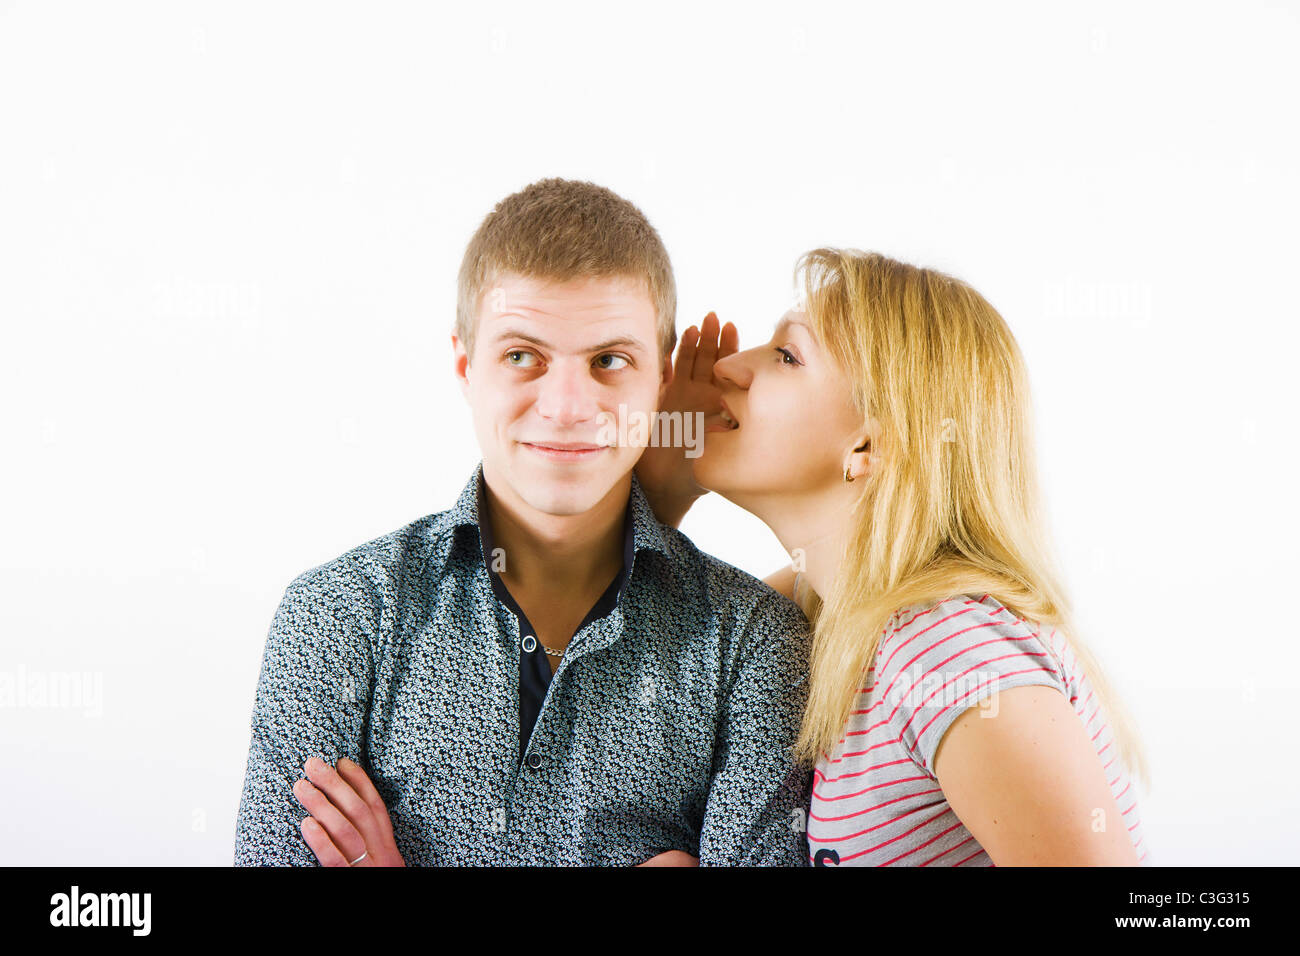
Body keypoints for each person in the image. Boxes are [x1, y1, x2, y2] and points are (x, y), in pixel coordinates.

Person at [233, 178, 812, 866]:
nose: (567, 407)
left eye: (609, 360)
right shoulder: (338, 615)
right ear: (465, 366)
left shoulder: (753, 644)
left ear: (660, 379)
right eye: (521, 356)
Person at [638, 249, 1150, 866]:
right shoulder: (821, 608)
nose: (727, 368)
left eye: (786, 356)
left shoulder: (945, 649)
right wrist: (660, 498)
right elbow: (637, 667)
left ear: (869, 445)